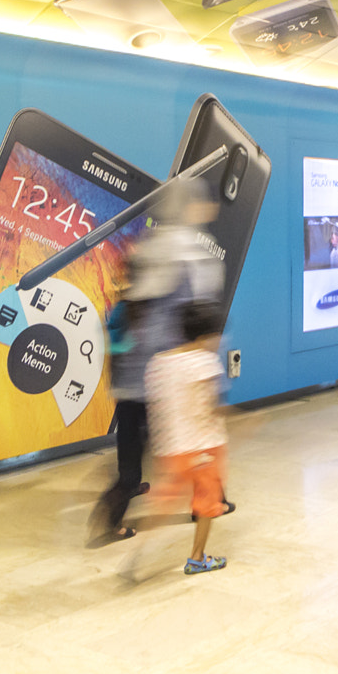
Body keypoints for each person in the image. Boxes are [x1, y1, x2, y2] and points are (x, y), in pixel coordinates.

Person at [89, 176, 224, 547]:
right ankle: (205, 505)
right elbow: (197, 318)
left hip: (132, 372)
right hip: (166, 374)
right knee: (196, 444)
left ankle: (111, 516)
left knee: (134, 450)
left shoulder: (146, 247)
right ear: (191, 206)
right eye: (203, 202)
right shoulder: (193, 251)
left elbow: (133, 309)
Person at [147, 299, 232, 574]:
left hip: (171, 449)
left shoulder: (160, 362)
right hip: (204, 448)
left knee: (165, 502)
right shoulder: (205, 362)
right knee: (207, 504)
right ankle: (197, 557)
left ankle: (140, 553)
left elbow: (158, 406)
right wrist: (241, 418)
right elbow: (211, 407)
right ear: (207, 335)